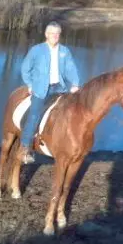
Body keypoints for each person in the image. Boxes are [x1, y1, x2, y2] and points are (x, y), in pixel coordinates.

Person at [20, 21, 80, 164]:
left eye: (57, 34)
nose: (55, 36)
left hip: (60, 88)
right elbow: (25, 68)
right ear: (46, 35)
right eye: (52, 33)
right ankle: (25, 148)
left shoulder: (64, 51)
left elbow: (71, 69)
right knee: (34, 115)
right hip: (41, 89)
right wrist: (29, 84)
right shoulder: (36, 50)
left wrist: (75, 84)